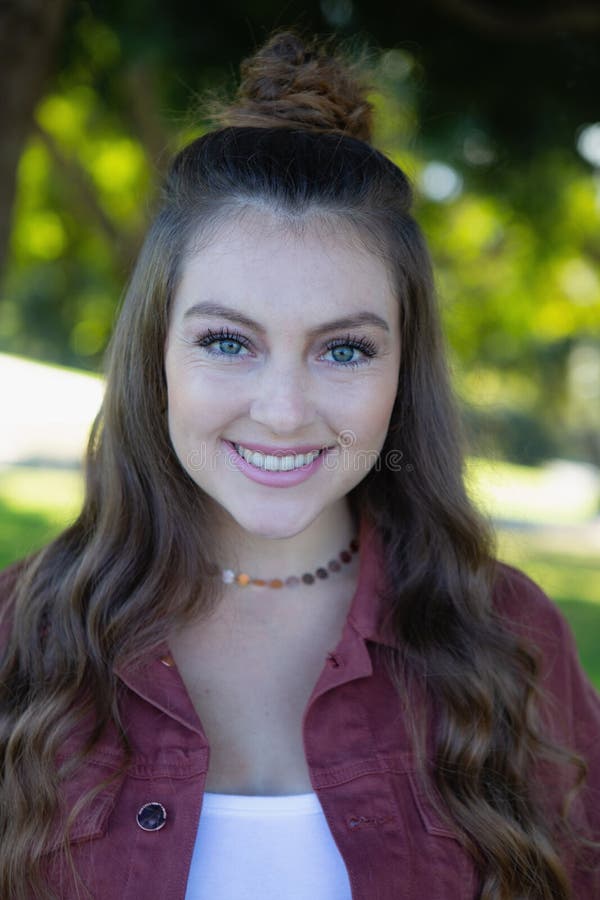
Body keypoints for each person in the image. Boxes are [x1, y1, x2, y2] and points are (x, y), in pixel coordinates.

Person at [0, 29, 598, 900]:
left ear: (404, 372)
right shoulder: (22, 635)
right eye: (228, 341)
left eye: (345, 351)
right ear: (155, 356)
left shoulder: (510, 637)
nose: (283, 410)